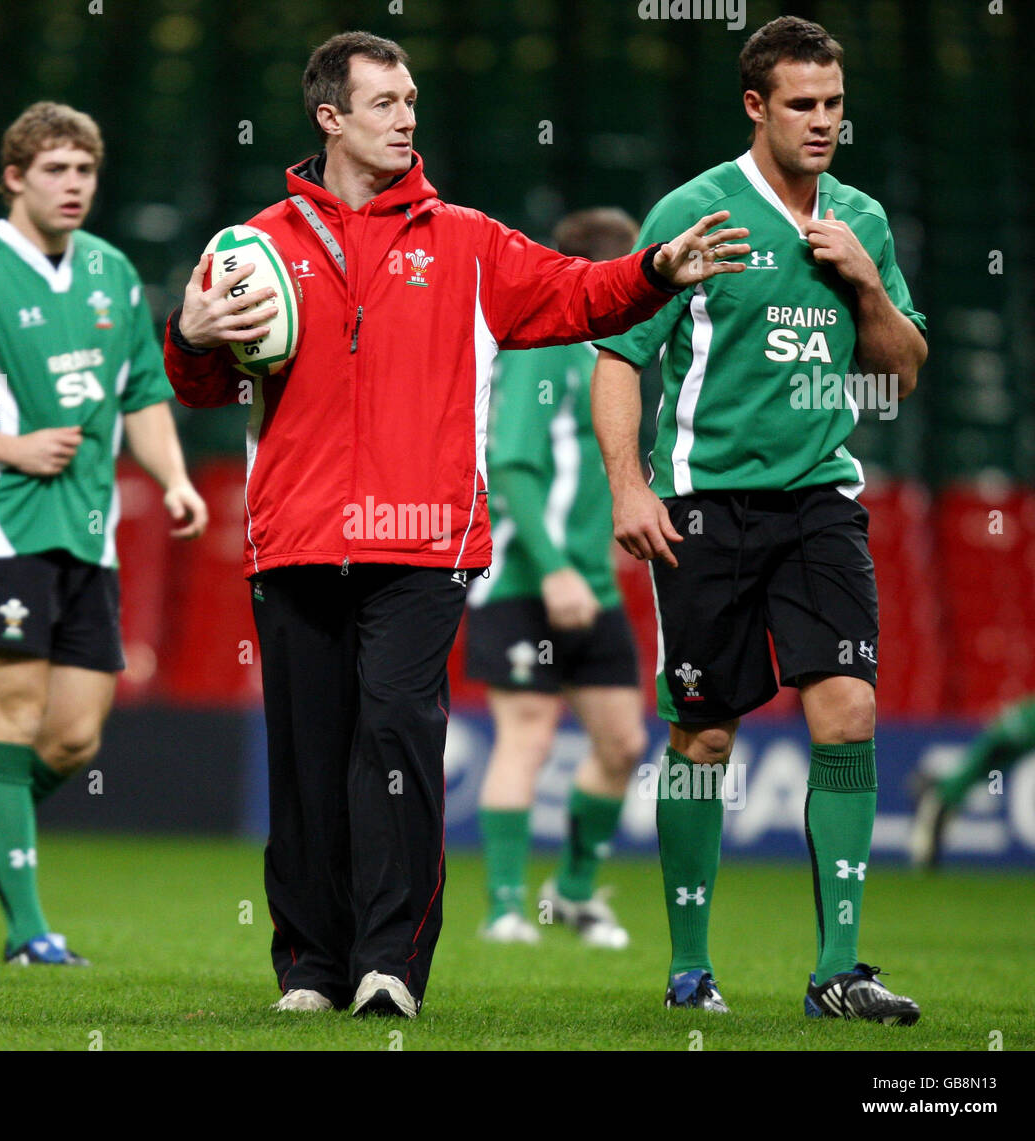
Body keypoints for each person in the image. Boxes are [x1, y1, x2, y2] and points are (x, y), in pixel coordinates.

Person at [165, 31, 747, 1017]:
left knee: (394, 742)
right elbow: (204, 384)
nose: (406, 116)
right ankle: (310, 967)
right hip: (297, 539)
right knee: (308, 762)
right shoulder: (252, 245)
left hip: (422, 543)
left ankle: (389, 964)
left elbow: (575, 292)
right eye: (385, 101)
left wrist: (655, 267)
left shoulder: (465, 239)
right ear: (330, 118)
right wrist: (188, 335)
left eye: (411, 99)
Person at [592, 16, 928, 1022]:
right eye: (801, 105)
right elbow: (617, 358)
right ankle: (690, 965)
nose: (822, 122)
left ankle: (839, 968)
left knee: (850, 710)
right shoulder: (695, 212)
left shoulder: (859, 221)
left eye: (833, 104)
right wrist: (628, 482)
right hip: (704, 507)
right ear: (755, 106)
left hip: (821, 499)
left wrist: (863, 284)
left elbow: (900, 372)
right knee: (703, 739)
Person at [0, 102, 208, 965]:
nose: (74, 186)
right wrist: (6, 445)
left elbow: (143, 395)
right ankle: (28, 934)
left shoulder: (112, 272)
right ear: (14, 177)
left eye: (85, 171)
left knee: (72, 737)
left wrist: (172, 478)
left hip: (87, 538)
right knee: (12, 721)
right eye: (56, 170)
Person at [466, 208, 646, 950]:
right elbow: (509, 462)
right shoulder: (549, 340)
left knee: (623, 743)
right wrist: (556, 569)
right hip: (522, 580)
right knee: (527, 734)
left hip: (590, 585)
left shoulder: (615, 354)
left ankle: (571, 894)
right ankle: (506, 907)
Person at [910, 685, 1035, 867]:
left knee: (987, 762)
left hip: (1032, 716)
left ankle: (941, 793)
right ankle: (942, 794)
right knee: (985, 761)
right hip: (1034, 718)